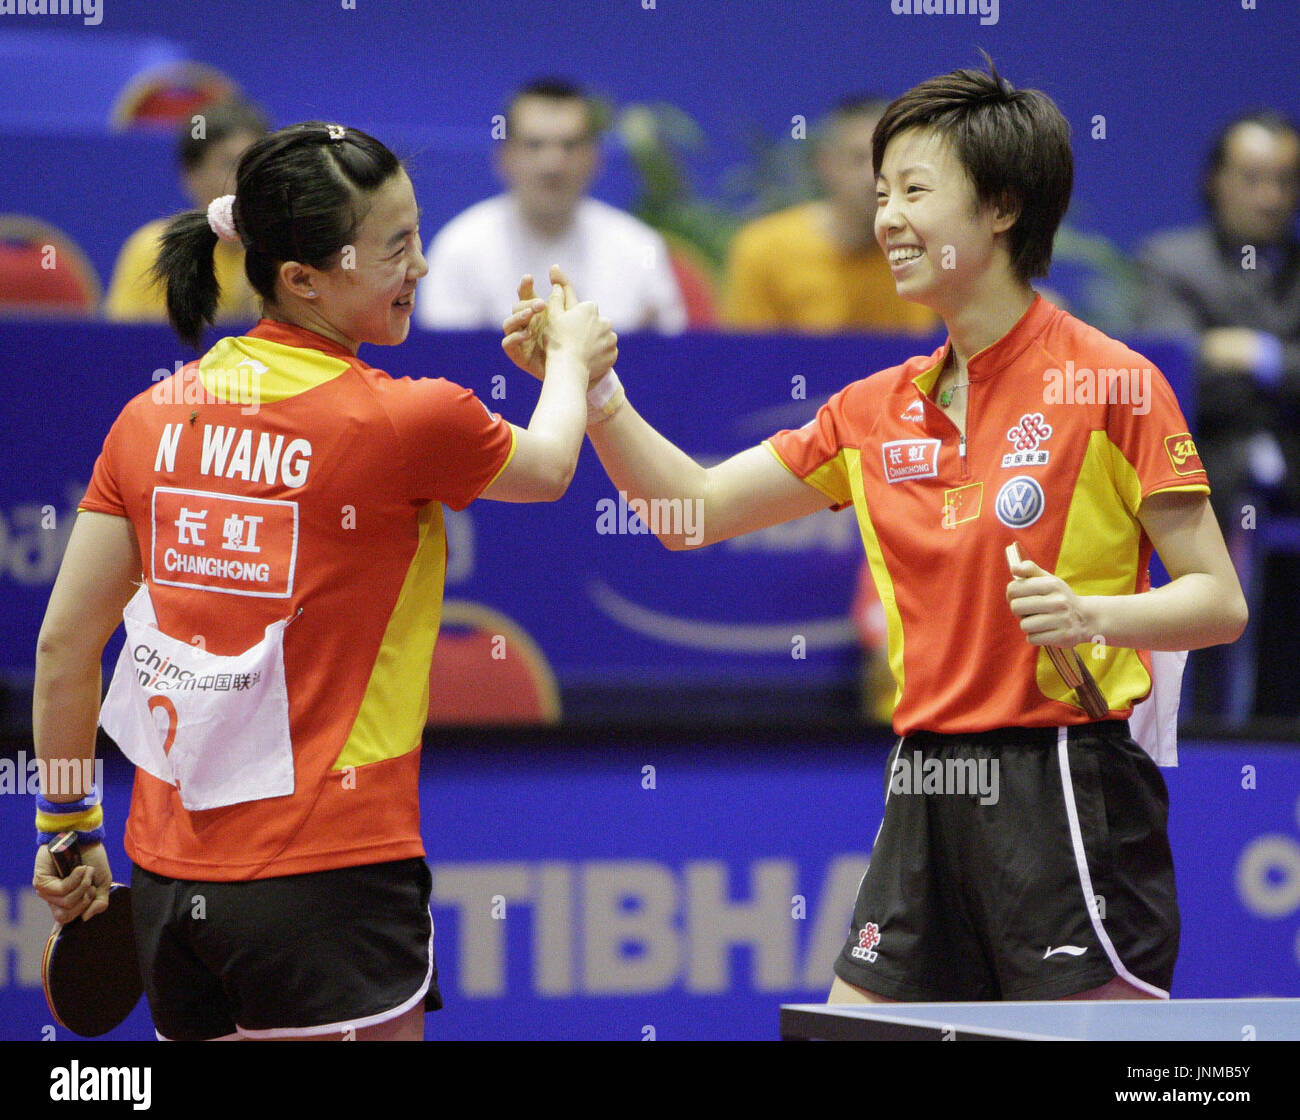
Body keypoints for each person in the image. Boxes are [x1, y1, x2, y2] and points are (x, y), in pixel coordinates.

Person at [504, 62, 1247, 1003]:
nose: (886, 213)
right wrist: (594, 390)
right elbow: (687, 511)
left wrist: (1091, 613)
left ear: (1002, 208)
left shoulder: (1111, 384)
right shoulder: (874, 408)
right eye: (882, 187)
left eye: (915, 190)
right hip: (925, 777)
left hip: (1065, 784)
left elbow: (1218, 602)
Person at [31, 121, 615, 1041]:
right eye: (394, 248)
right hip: (330, 881)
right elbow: (547, 468)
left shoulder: (148, 418)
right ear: (301, 279)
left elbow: (64, 647)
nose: (419, 266)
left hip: (169, 888)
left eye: (417, 235)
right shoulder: (407, 418)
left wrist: (67, 828)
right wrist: (573, 360)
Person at [1136, 110, 1300, 718]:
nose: (1271, 197)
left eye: (1285, 181)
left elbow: (1225, 363)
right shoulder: (1170, 263)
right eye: (1254, 178)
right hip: (1207, 470)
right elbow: (1172, 372)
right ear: (1215, 180)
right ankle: (1201, 728)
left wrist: (1257, 356)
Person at [416, 78, 686, 333]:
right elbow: (447, 361)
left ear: (595, 158)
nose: (553, 164)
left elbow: (670, 360)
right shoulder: (460, 249)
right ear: (504, 156)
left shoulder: (639, 248)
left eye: (569, 145)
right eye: (534, 145)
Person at [721, 95, 939, 334]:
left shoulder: (926, 252)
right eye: (858, 159)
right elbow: (749, 359)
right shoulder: (764, 249)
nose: (875, 176)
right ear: (826, 165)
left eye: (890, 160)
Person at [104, 97, 269, 324]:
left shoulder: (291, 252)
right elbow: (128, 344)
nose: (244, 178)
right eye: (228, 164)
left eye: (254, 163)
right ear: (192, 176)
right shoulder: (155, 250)